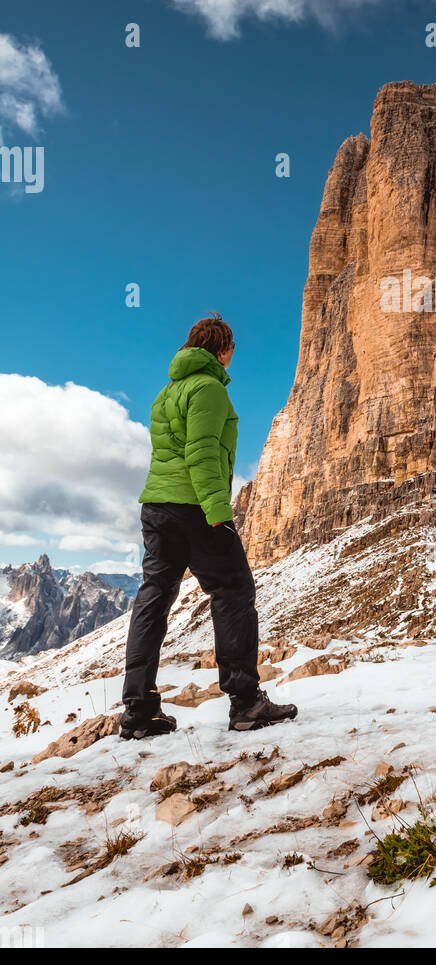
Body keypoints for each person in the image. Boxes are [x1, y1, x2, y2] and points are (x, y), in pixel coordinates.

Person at [120, 313, 297, 738]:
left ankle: (138, 711)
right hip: (195, 506)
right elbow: (201, 452)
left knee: (154, 598)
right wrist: (218, 511)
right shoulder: (210, 388)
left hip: (156, 507)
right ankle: (246, 702)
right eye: (232, 350)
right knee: (234, 590)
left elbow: (171, 453)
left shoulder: (167, 393)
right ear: (224, 349)